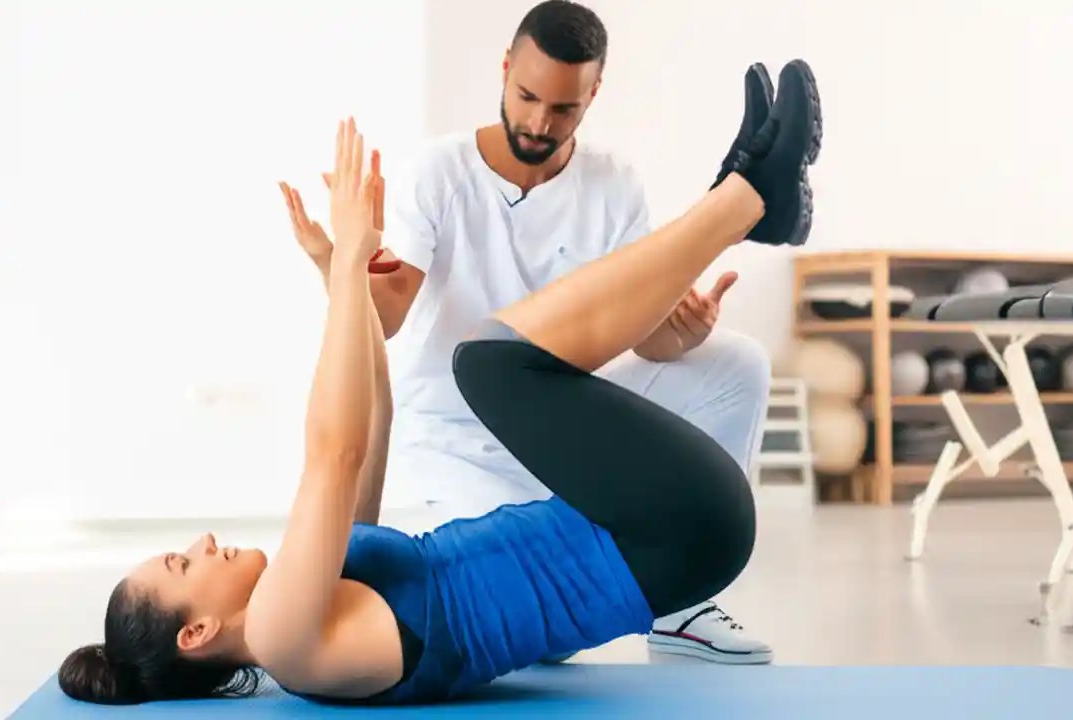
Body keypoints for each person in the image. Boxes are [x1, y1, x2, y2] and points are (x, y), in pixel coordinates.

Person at [56, 58, 822, 707]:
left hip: (643, 520)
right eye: (183, 565)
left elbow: (373, 416)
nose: (202, 544)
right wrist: (355, 247)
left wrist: (346, 274)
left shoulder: (307, 593)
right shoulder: (288, 641)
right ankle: (748, 200)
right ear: (197, 634)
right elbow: (335, 452)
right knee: (492, 364)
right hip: (665, 536)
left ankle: (746, 195)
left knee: (499, 362)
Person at [368, 0, 778, 663]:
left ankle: (682, 598)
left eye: (563, 109)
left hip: (564, 424)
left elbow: (646, 340)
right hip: (459, 437)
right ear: (505, 69)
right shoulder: (439, 172)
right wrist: (346, 265)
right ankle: (745, 197)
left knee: (739, 366)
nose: (537, 121)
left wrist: (684, 333)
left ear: (593, 94)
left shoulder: (613, 185)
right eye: (526, 96)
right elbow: (385, 316)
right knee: (545, 644)